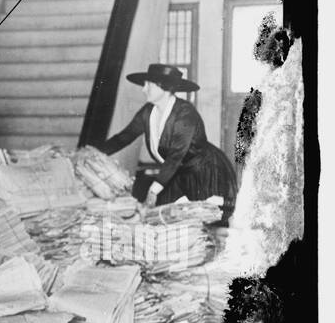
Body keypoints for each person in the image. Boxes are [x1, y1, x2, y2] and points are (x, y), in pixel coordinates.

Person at [98, 63, 237, 219]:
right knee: (166, 219)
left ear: (162, 87)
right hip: (175, 173)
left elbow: (175, 156)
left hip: (205, 172)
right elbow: (123, 138)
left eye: (148, 85)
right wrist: (94, 153)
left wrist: (153, 190)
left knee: (207, 221)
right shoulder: (148, 112)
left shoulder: (185, 113)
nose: (144, 89)